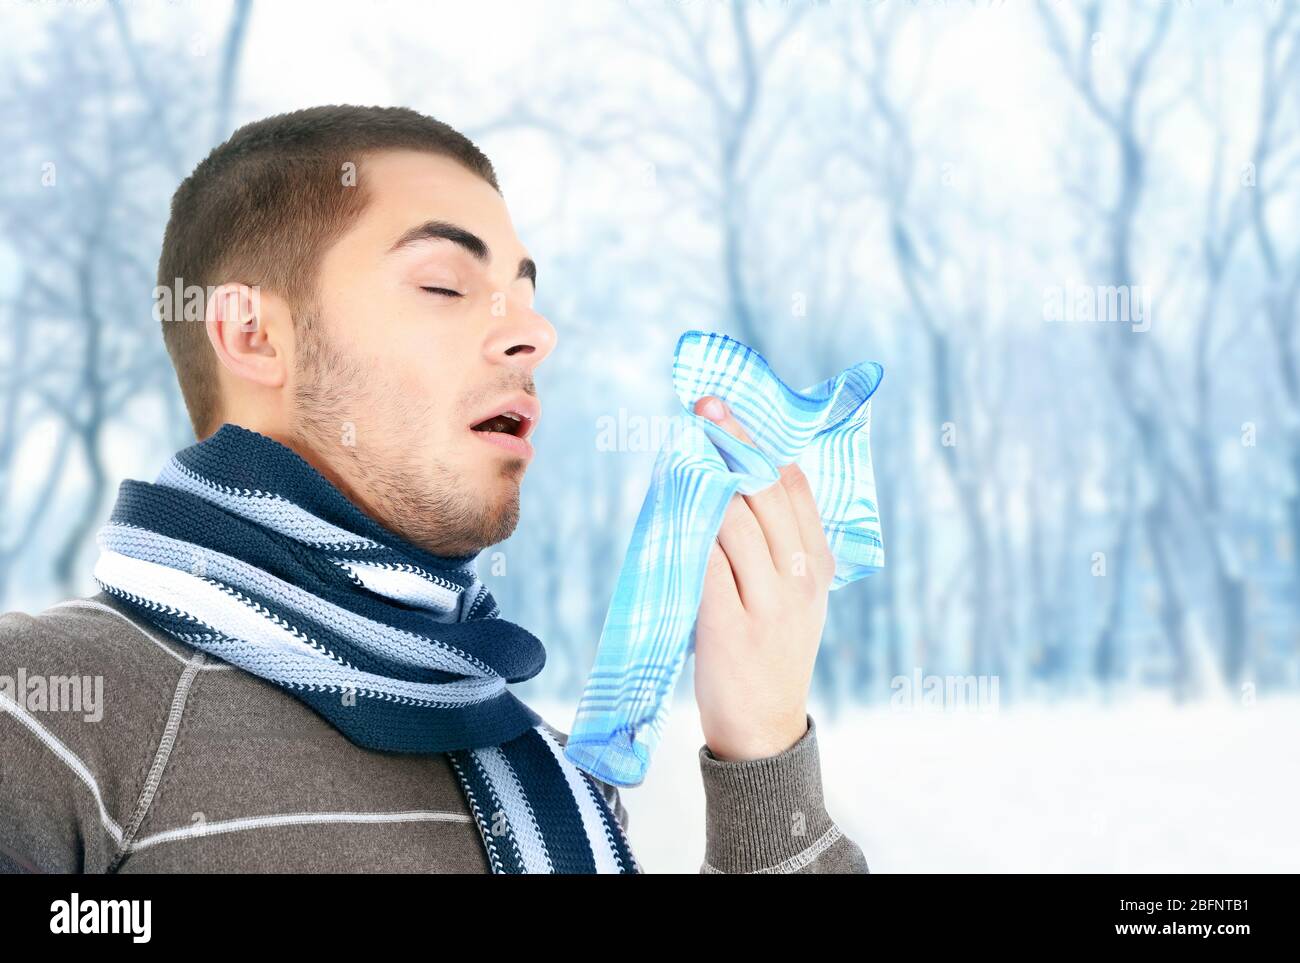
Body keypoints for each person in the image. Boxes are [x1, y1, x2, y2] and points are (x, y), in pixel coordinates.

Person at [0, 105, 868, 874]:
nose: (534, 332)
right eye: (447, 285)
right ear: (254, 334)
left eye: (526, 298)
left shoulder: (555, 784)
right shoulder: (50, 703)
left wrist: (763, 759)